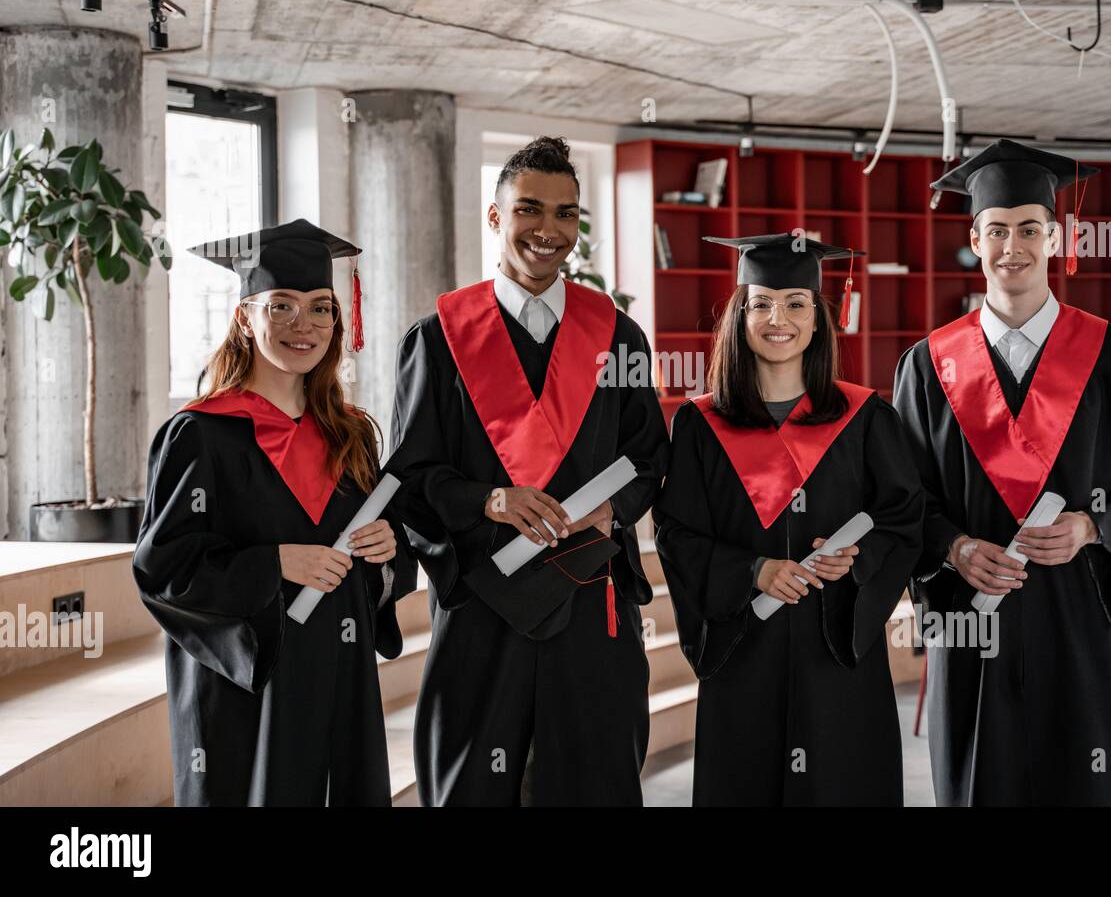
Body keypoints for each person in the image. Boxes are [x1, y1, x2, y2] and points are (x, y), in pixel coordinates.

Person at [894, 139, 1111, 806]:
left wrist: (1093, 526)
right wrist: (954, 545)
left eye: (1030, 228)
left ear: (1057, 237)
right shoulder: (926, 367)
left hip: (1083, 618)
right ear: (975, 237)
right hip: (976, 621)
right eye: (996, 230)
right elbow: (904, 499)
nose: (1012, 246)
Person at [384, 136, 669, 806]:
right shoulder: (438, 340)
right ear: (494, 217)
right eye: (529, 210)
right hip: (485, 600)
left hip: (589, 597)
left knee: (596, 782)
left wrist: (613, 509)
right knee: (471, 785)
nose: (549, 230)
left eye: (567, 214)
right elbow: (410, 477)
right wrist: (489, 501)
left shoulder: (618, 337)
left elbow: (651, 457)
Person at [133, 218, 417, 806]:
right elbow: (164, 572)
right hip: (249, 691)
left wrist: (386, 554)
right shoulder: (200, 436)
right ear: (244, 317)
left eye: (320, 308)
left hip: (338, 677)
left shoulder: (352, 434)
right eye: (280, 306)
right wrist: (274, 563)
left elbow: (378, 575)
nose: (302, 325)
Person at [653, 232, 923, 806]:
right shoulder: (700, 425)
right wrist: (752, 570)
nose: (780, 318)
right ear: (740, 316)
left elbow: (903, 517)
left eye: (797, 303)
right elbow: (675, 534)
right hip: (744, 644)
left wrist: (861, 557)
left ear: (820, 320)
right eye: (762, 304)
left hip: (838, 648)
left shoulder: (866, 416)